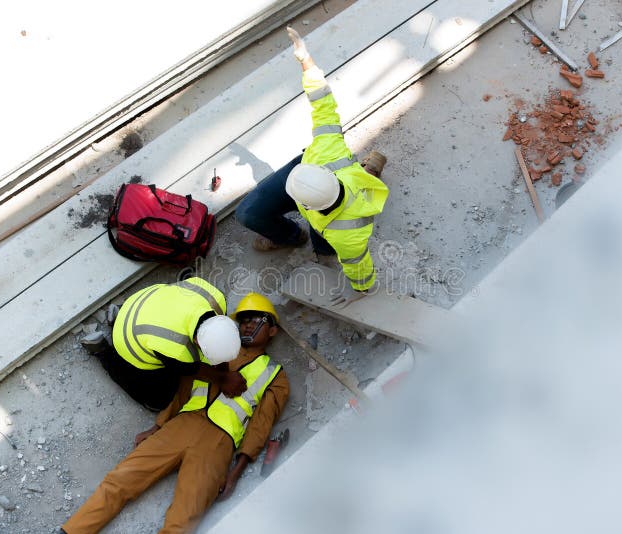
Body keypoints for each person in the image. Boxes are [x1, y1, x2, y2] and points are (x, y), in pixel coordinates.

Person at [62, 292, 289, 534]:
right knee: (121, 479)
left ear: (273, 331)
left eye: (257, 320)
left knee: (184, 517)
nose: (248, 324)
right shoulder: (212, 347)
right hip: (181, 425)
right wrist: (158, 426)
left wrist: (235, 473)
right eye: (244, 320)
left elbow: (261, 426)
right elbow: (184, 389)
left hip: (217, 443)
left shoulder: (275, 375)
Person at [235, 27, 389, 307]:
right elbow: (323, 102)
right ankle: (292, 236)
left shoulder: (348, 232)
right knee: (247, 213)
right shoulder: (326, 150)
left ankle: (369, 172)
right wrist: (306, 61)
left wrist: (360, 290)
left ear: (310, 207)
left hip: (329, 211)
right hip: (307, 175)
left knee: (325, 250)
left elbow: (358, 264)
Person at [82, 276, 247, 411]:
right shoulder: (176, 348)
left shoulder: (216, 298)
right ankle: (103, 350)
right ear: (197, 341)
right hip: (128, 335)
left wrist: (224, 370)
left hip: (140, 303)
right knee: (159, 400)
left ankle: (118, 318)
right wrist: (222, 378)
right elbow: (194, 370)